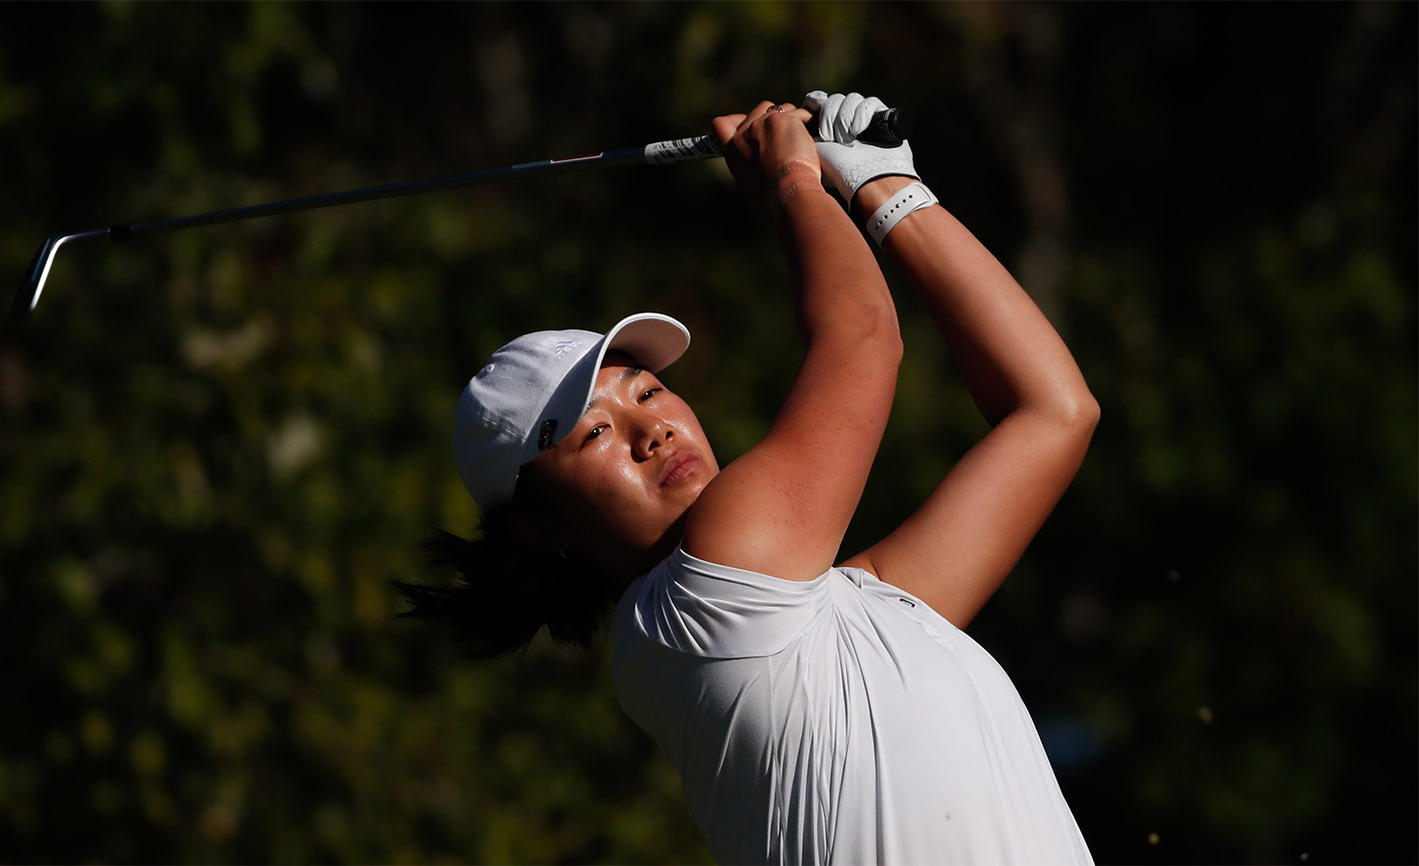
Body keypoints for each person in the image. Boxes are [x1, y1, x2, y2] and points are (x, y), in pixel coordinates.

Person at [401, 91, 1099, 864]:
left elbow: (1054, 413)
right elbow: (863, 336)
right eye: (594, 432)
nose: (652, 429)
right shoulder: (695, 605)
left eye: (649, 391)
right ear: (540, 527)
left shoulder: (849, 611)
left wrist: (886, 190)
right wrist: (796, 184)